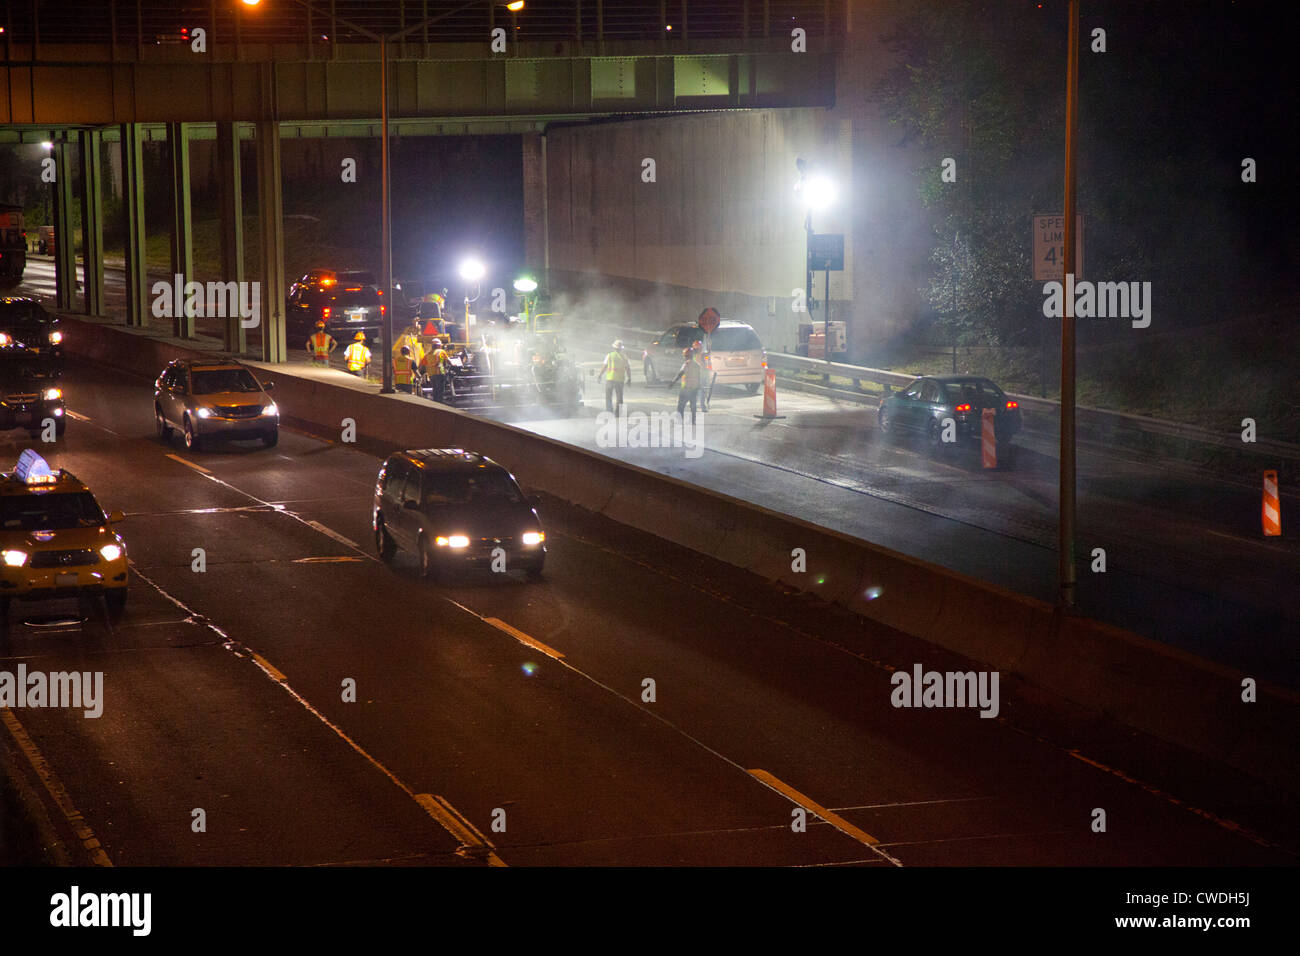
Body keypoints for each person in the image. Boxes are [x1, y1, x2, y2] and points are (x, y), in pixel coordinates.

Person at [669, 343, 704, 426]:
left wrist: (673, 382)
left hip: (686, 388)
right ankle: (693, 421)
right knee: (693, 405)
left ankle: (679, 421)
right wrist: (699, 386)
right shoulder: (697, 365)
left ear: (686, 356)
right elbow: (699, 378)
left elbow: (680, 373)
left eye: (685, 356)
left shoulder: (686, 364)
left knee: (681, 405)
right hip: (694, 388)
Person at [600, 339, 631, 414]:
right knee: (619, 397)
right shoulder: (624, 357)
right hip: (620, 380)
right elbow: (628, 368)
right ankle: (618, 412)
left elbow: (604, 366)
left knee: (608, 396)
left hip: (610, 379)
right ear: (621, 348)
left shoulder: (609, 355)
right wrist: (629, 378)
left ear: (614, 348)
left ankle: (609, 410)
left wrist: (600, 375)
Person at [421, 336, 451, 403]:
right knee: (440, 392)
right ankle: (440, 406)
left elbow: (422, 365)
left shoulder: (427, 354)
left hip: (431, 375)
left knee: (435, 391)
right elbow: (449, 361)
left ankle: (436, 405)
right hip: (440, 374)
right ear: (439, 345)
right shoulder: (441, 351)